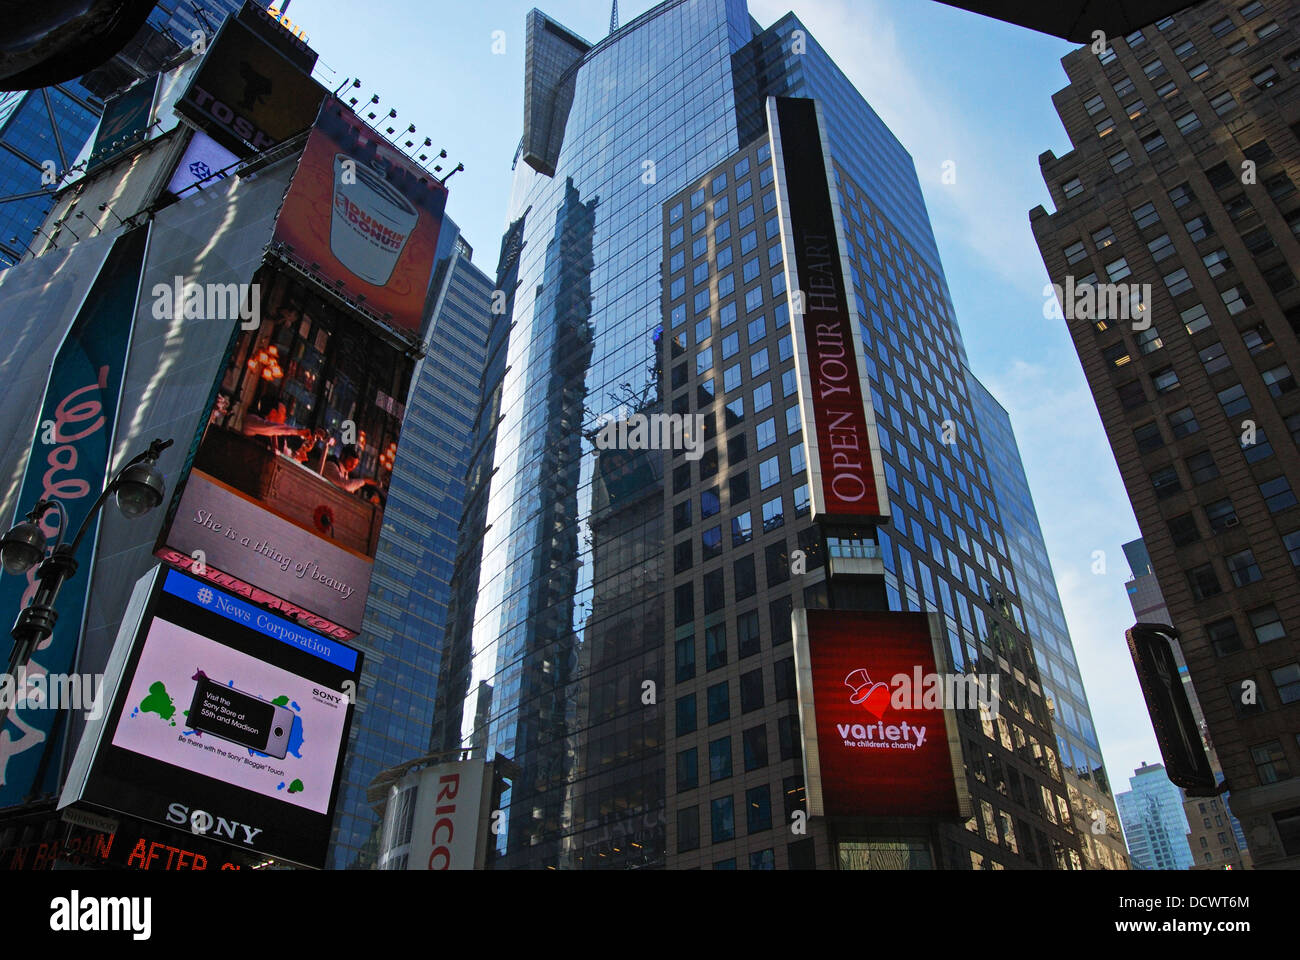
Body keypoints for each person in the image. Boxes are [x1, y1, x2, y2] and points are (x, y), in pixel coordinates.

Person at [242, 395, 311, 454]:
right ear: (273, 413)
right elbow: (273, 428)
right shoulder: (251, 421)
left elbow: (287, 455)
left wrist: (303, 448)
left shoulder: (279, 439)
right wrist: (297, 432)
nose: (285, 418)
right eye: (283, 414)